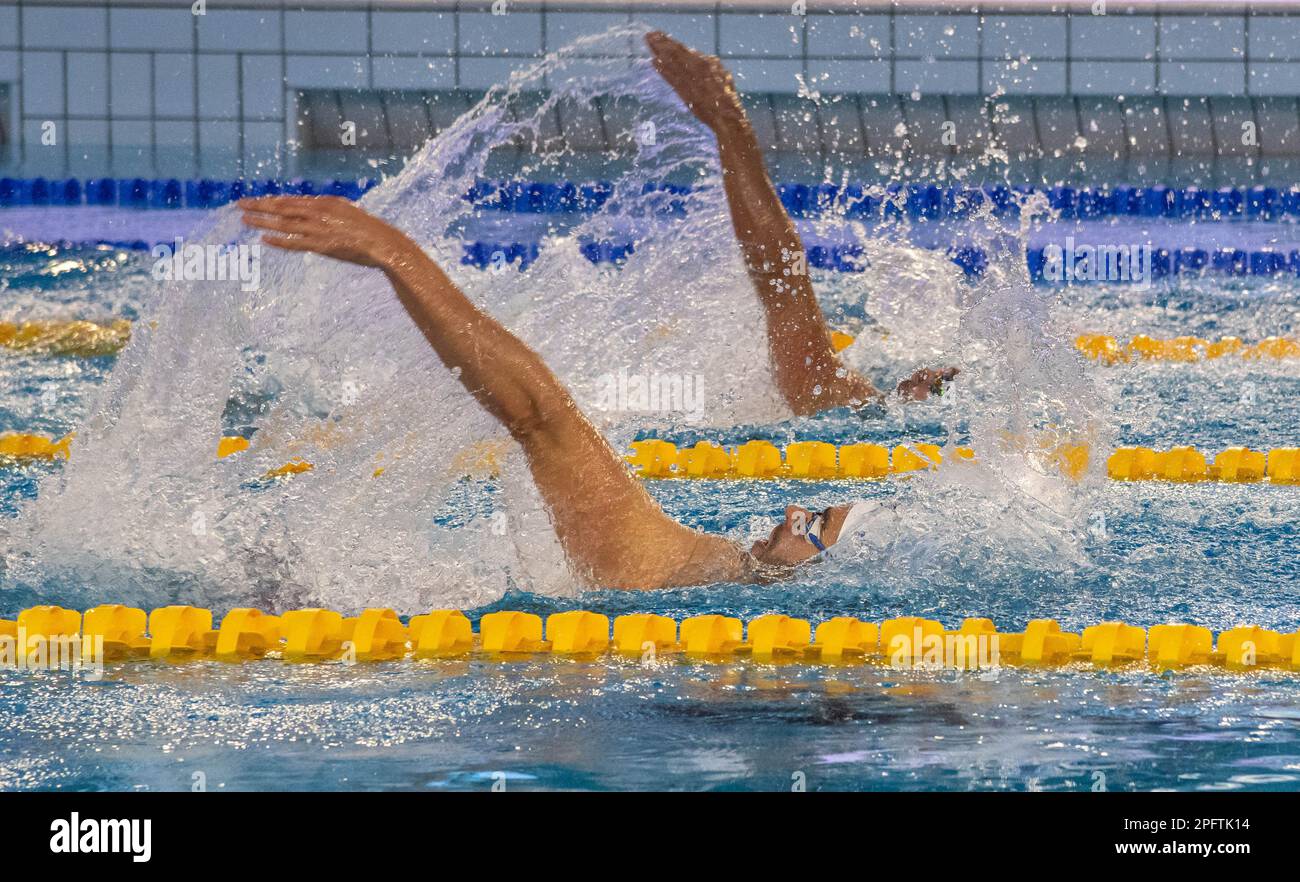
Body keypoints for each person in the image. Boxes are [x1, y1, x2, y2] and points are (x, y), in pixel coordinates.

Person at [240, 195, 885, 589]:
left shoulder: (662, 570)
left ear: (821, 575)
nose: (792, 513)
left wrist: (394, 254)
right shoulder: (691, 572)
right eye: (815, 508)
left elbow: (538, 413)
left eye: (817, 525)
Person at [645, 31, 957, 414]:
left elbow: (782, 275)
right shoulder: (869, 414)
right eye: (940, 372)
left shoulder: (841, 403)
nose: (927, 372)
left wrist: (727, 120)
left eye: (939, 384)